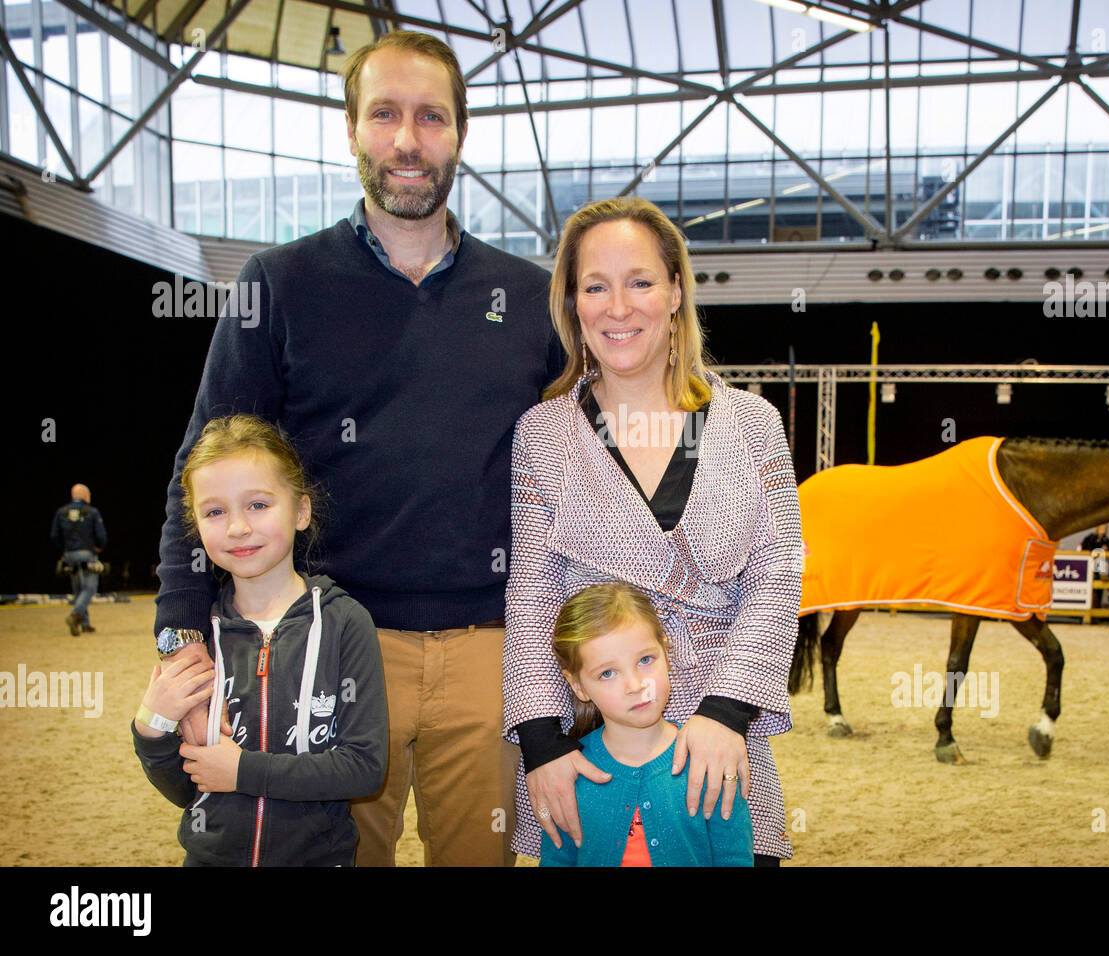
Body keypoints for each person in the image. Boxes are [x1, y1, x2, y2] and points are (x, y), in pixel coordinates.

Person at [151, 30, 564, 866]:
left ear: (459, 134)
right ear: (350, 130)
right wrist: (180, 636)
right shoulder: (278, 283)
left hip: (492, 651)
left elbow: (587, 474)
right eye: (385, 115)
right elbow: (202, 466)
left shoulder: (530, 298)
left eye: (430, 117)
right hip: (326, 647)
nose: (407, 140)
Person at [504, 196, 801, 866]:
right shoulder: (543, 436)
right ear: (572, 304)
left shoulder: (752, 424)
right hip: (595, 744)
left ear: (675, 293)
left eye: (640, 281)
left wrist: (726, 713)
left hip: (723, 728)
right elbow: (531, 597)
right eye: (595, 286)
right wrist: (541, 746)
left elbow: (778, 575)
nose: (618, 306)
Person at [133, 415, 387, 865]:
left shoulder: (346, 622)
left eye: (257, 505)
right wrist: (152, 729)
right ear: (195, 526)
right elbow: (188, 790)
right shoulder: (198, 639)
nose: (236, 528)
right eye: (215, 511)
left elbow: (364, 769)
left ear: (301, 511)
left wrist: (243, 771)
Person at [541, 582, 753, 866]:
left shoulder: (706, 760)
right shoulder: (570, 774)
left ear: (666, 652)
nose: (635, 685)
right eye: (607, 673)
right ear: (578, 685)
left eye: (645, 659)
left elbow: (734, 857)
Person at [50, 483, 107, 635]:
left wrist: (65, 549)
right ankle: (75, 615)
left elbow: (55, 535)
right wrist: (99, 547)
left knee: (78, 590)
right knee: (89, 588)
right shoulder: (91, 512)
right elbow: (101, 536)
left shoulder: (61, 512)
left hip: (70, 555)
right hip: (87, 554)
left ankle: (84, 624)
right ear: (85, 496)